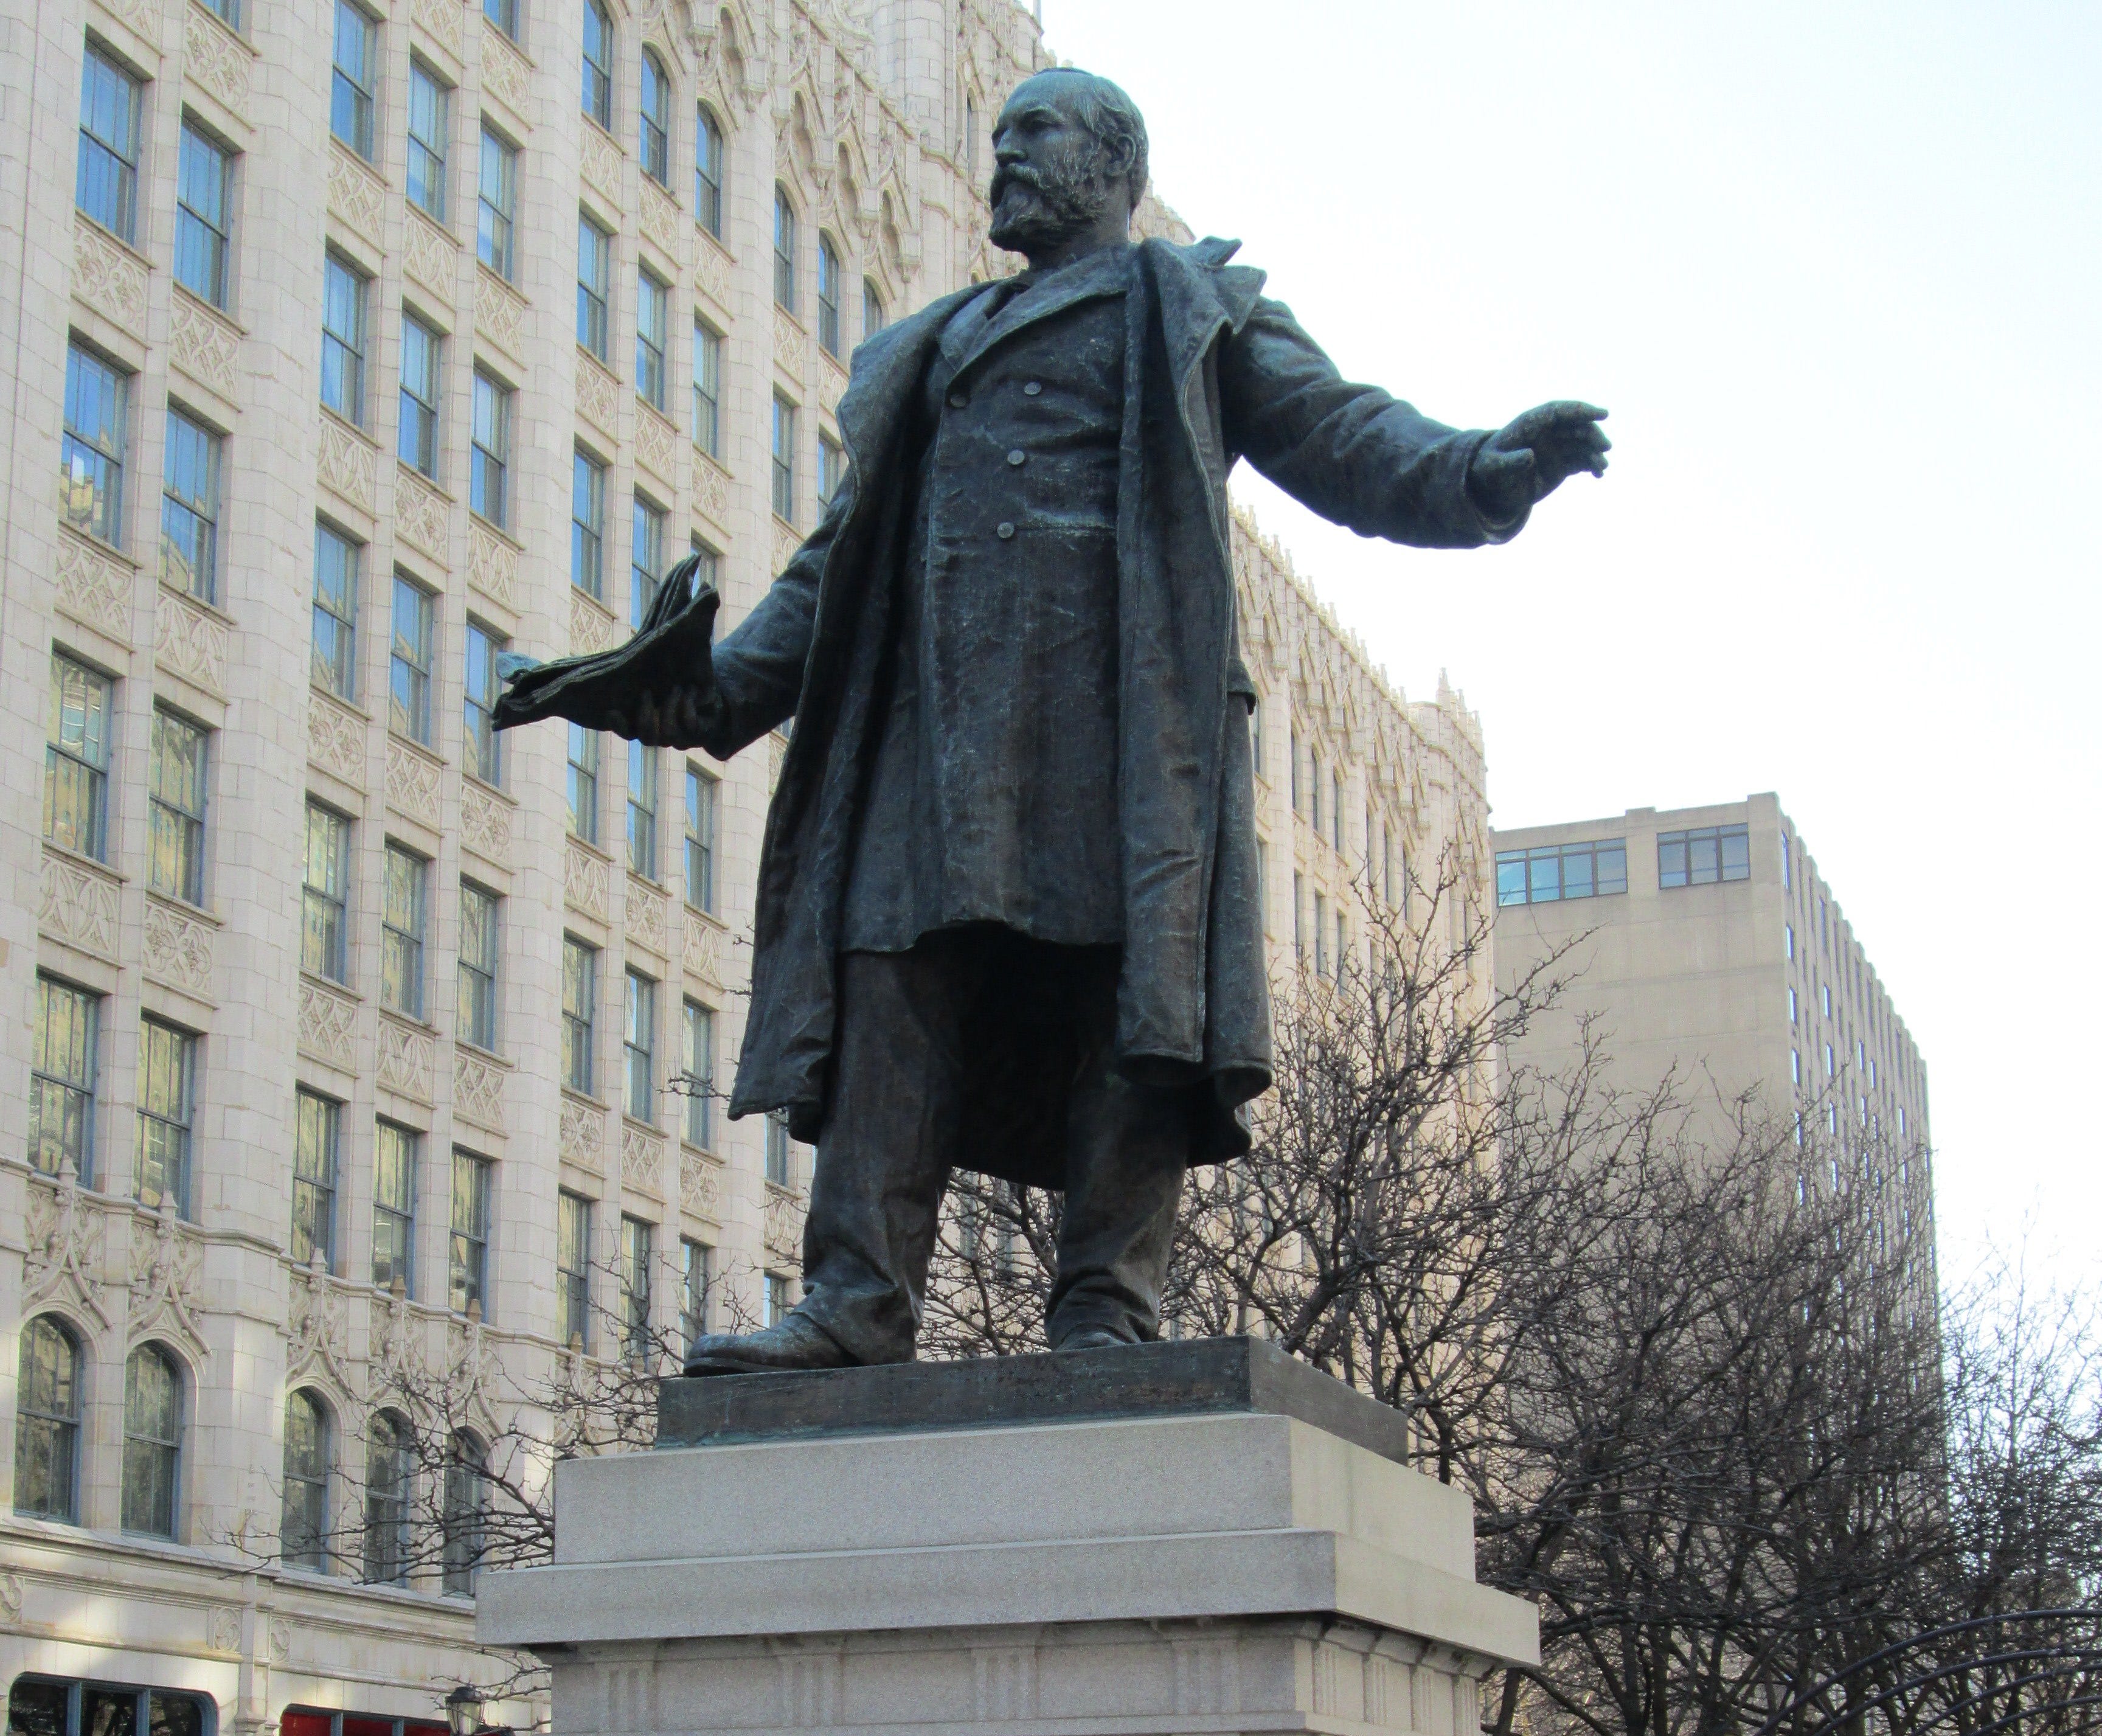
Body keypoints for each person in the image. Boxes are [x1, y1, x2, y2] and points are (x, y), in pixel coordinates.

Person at [497, 68, 1609, 1373]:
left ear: (1114, 163)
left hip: (1119, 712)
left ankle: (1106, 1301)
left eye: (1034, 135)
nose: (1004, 161)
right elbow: (839, 562)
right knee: (888, 978)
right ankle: (856, 1299)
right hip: (934, 724)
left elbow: (1346, 438)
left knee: (1122, 987)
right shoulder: (937, 346)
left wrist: (1485, 472)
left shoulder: (1188, 305)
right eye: (999, 138)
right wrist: (706, 688)